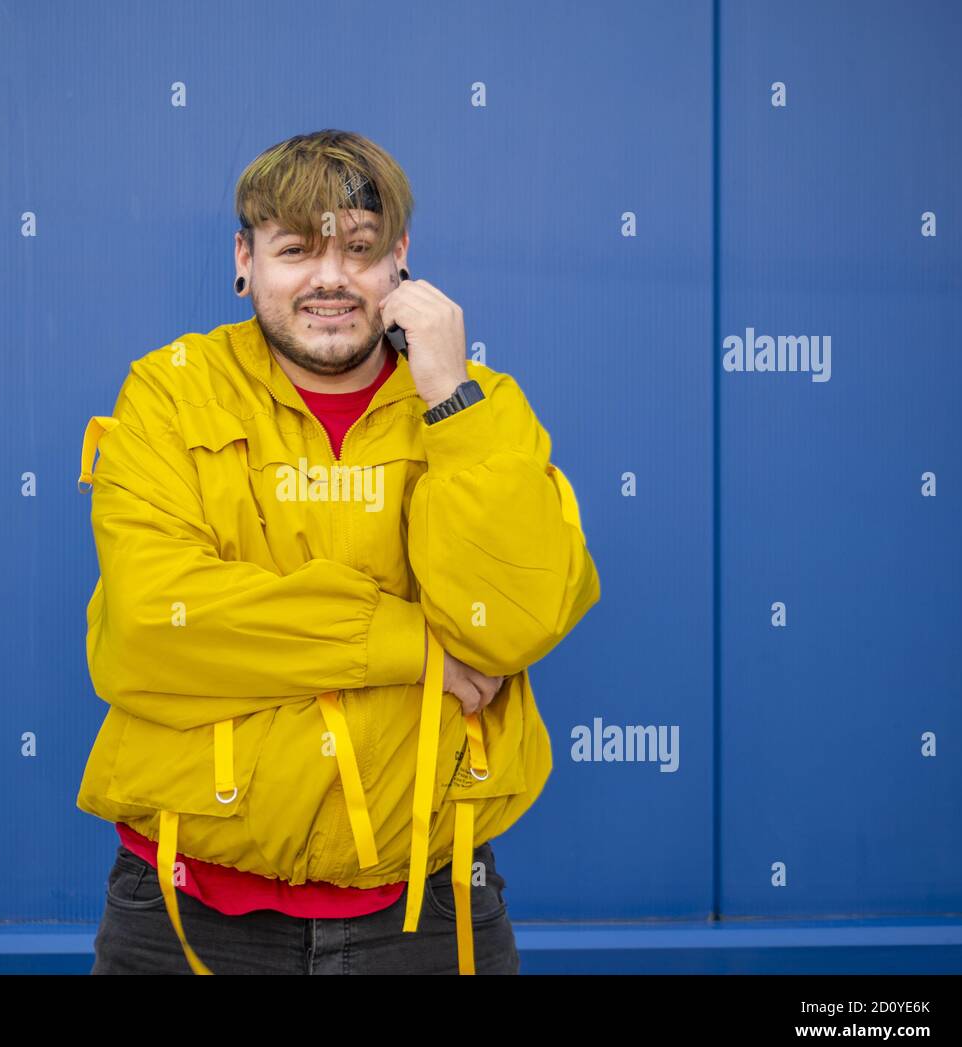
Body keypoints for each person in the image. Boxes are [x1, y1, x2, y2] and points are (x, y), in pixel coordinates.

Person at [76, 129, 601, 974]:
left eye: (358, 249)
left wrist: (449, 397)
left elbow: (511, 624)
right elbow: (150, 624)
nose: (329, 278)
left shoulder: (483, 407)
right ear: (244, 260)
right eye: (296, 250)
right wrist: (415, 646)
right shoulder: (169, 395)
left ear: (401, 261)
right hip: (185, 910)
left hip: (429, 909)